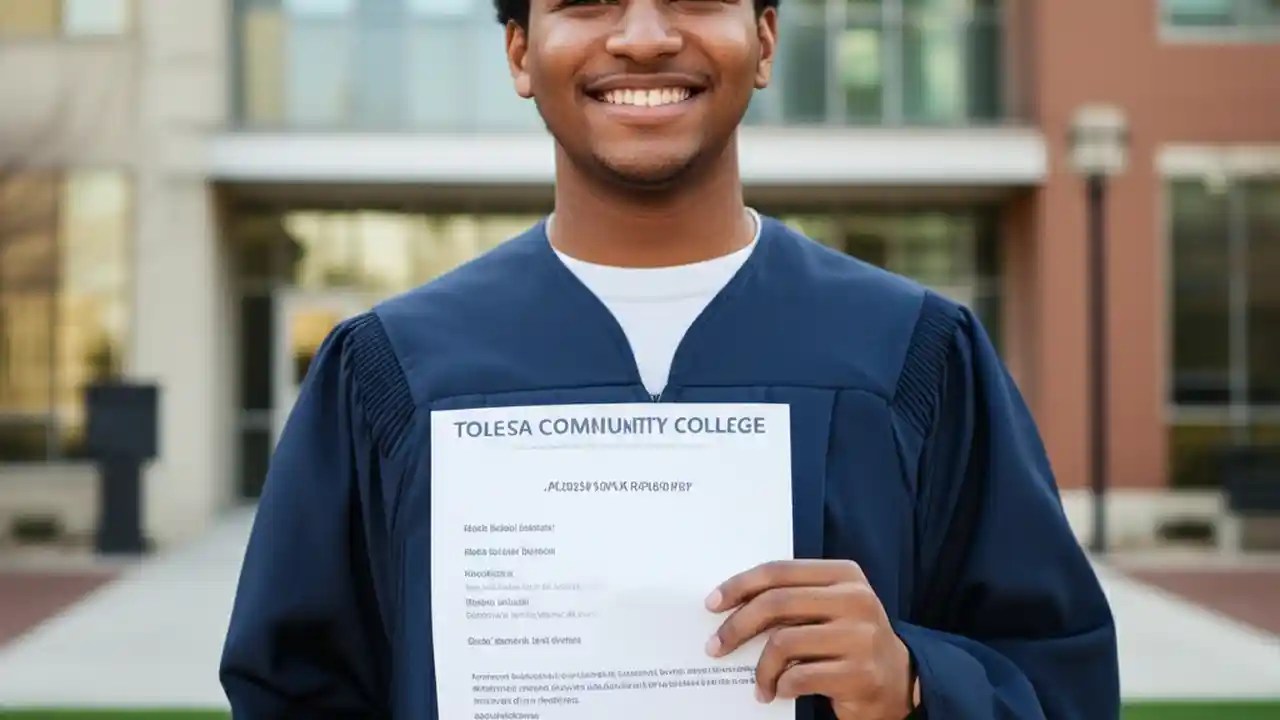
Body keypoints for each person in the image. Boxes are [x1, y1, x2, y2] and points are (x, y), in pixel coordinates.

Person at [219, 0, 1121, 715]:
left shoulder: (914, 355)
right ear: (520, 53)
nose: (643, 38)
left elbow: (1060, 680)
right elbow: (295, 687)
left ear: (763, 42)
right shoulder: (395, 371)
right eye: (586, 1)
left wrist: (918, 681)